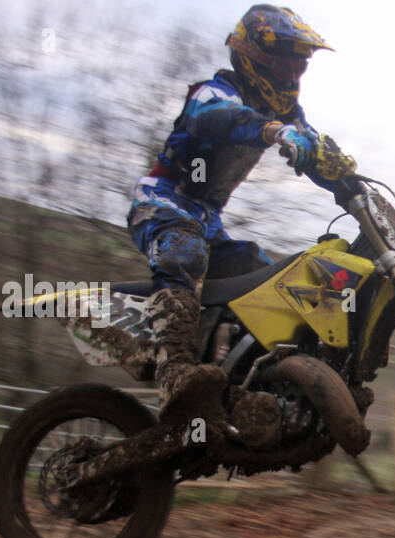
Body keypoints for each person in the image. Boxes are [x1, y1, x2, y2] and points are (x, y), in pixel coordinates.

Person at [127, 5, 338, 420]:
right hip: (163, 201)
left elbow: (312, 145)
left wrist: (338, 168)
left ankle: (241, 388)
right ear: (257, 57)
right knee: (185, 253)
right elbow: (217, 119)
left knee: (269, 283)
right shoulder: (213, 93)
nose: (294, 75)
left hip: (208, 220)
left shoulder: (287, 115)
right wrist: (274, 130)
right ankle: (175, 376)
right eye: (286, 63)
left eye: (301, 65)